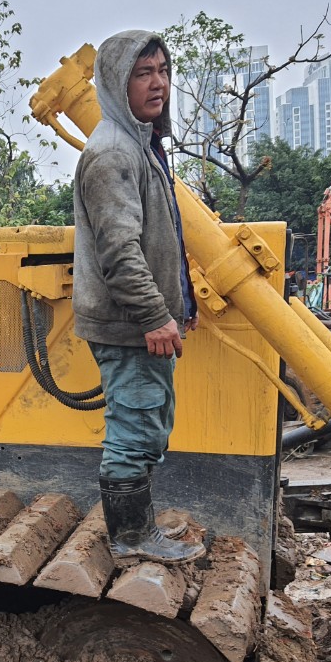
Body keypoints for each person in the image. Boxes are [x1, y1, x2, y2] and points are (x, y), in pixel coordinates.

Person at [73, 29, 204, 565]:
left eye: (164, 71)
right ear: (115, 82)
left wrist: (177, 310)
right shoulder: (112, 155)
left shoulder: (139, 147)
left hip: (141, 321)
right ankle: (129, 539)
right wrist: (155, 314)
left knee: (147, 425)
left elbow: (160, 238)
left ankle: (139, 530)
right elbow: (120, 253)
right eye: (143, 73)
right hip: (128, 324)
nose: (159, 83)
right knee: (133, 430)